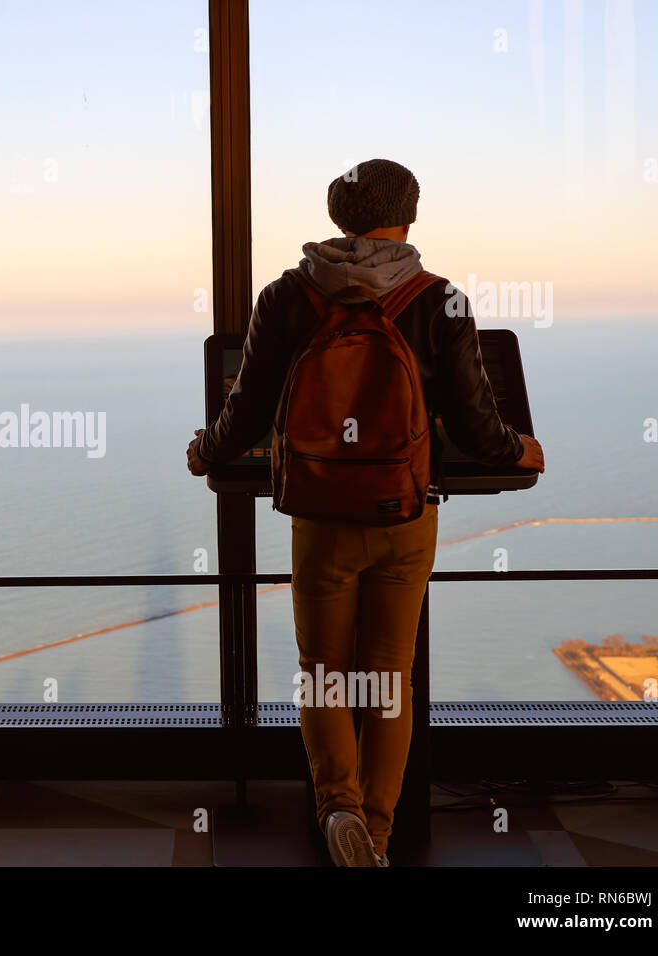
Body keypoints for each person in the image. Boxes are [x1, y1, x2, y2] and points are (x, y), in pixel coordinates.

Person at [186, 159, 544, 866]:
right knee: (389, 673)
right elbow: (478, 426)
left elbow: (248, 410)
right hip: (405, 515)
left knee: (323, 668)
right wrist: (520, 450)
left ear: (338, 217)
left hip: (320, 518)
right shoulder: (440, 300)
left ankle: (337, 807)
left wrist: (207, 450)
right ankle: (376, 837)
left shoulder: (286, 298)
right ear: (409, 216)